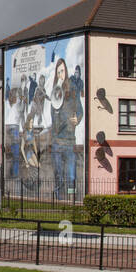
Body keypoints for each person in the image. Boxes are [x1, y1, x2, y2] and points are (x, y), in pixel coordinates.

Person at [50, 59, 83, 198]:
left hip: (69, 140)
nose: (60, 75)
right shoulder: (54, 91)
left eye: (62, 71)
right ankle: (58, 198)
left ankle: (72, 198)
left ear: (66, 71)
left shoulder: (73, 88)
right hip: (57, 141)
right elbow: (53, 116)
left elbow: (80, 108)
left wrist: (78, 118)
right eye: (58, 72)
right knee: (58, 174)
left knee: (71, 174)